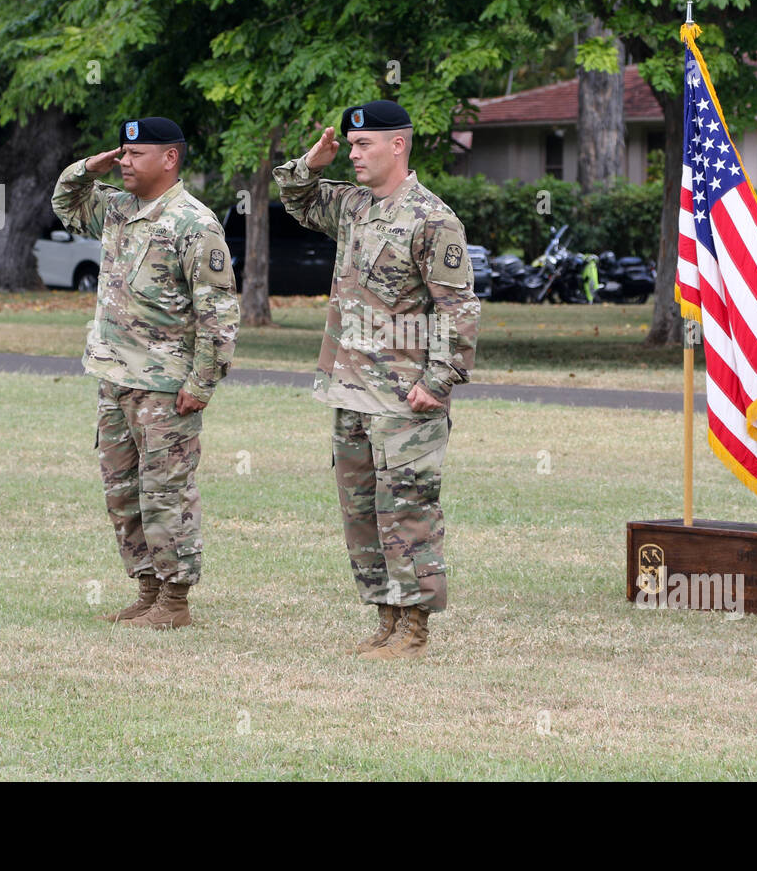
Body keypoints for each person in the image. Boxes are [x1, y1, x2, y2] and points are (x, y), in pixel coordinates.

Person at [273, 99, 479, 660]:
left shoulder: (433, 220)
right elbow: (294, 198)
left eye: (365, 145)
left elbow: (457, 310)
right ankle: (386, 619)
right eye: (351, 144)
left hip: (404, 396)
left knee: (407, 510)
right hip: (351, 389)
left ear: (399, 145)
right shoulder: (354, 206)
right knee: (362, 512)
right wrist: (314, 162)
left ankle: (414, 630)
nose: (355, 153)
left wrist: (437, 382)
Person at [51, 116, 239, 629]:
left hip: (164, 386)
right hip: (114, 377)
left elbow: (218, 312)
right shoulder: (117, 208)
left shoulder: (194, 224)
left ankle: (175, 601)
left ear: (170, 158)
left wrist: (202, 383)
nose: (125, 161)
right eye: (122, 153)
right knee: (122, 492)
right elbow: (65, 202)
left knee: (166, 492)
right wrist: (93, 165)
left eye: (136, 154)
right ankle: (147, 589)